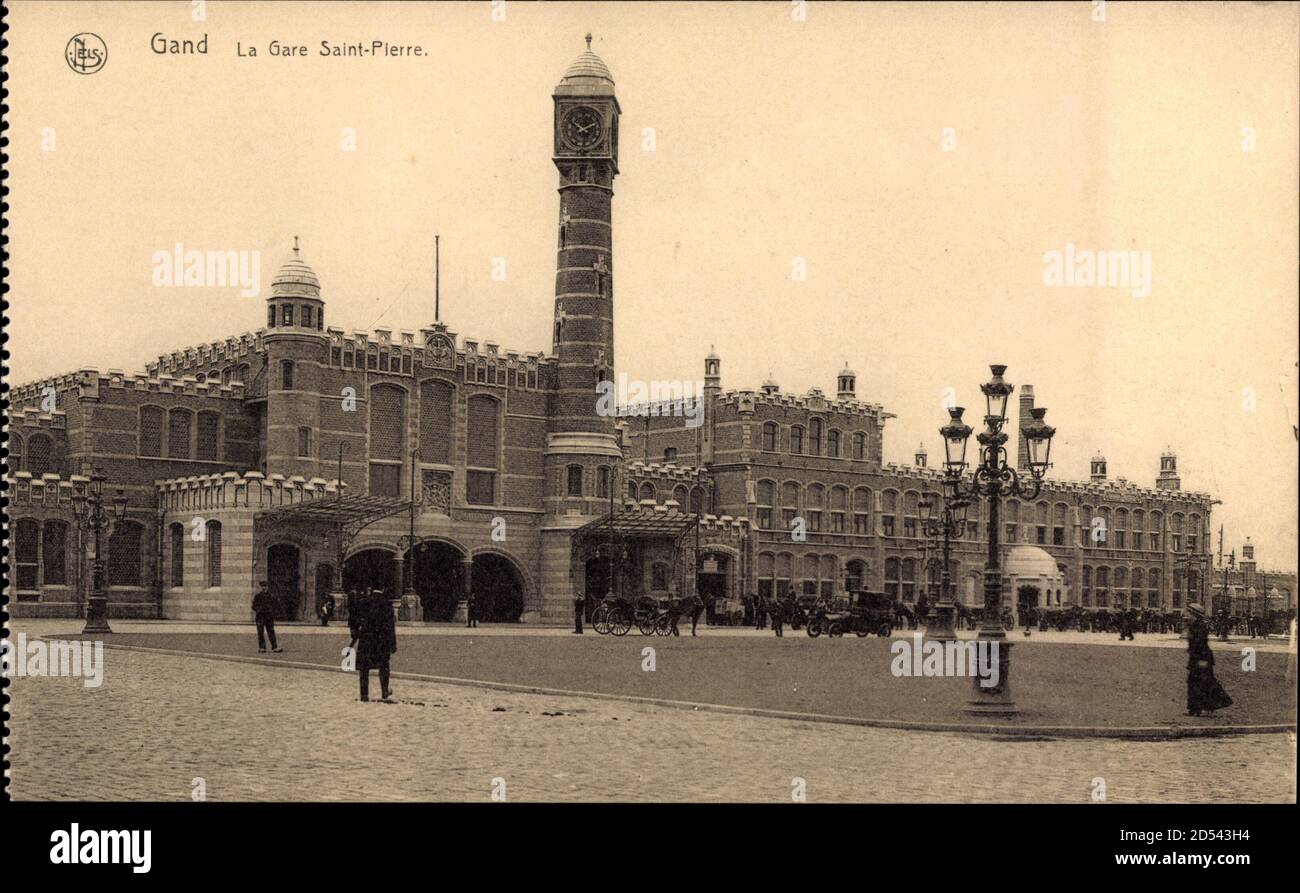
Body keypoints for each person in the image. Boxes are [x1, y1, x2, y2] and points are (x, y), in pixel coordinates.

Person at [349, 588, 397, 702]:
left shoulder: (364, 602)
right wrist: (392, 644)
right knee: (384, 667)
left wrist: (355, 632)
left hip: (366, 640)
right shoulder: (386, 605)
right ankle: (384, 691)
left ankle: (364, 694)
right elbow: (391, 627)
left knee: (364, 668)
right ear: (383, 590)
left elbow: (354, 619)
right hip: (382, 641)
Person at [1185, 602, 1232, 717]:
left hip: (1201, 658)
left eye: (1189, 613)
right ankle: (1198, 708)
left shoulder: (1199, 626)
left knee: (1199, 682)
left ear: (1194, 614)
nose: (1187, 615)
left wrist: (1202, 660)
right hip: (1198, 658)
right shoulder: (1195, 625)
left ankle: (1196, 708)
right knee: (1201, 682)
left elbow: (1202, 644)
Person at [252, 580, 282, 653]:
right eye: (262, 586)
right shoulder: (257, 596)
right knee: (260, 632)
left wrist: (272, 611)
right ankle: (262, 648)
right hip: (260, 616)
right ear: (261, 587)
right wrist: (258, 610)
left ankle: (274, 647)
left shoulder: (272, 596)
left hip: (269, 616)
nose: (264, 588)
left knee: (271, 631)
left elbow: (276, 605)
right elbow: (253, 606)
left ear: (268, 587)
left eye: (265, 586)